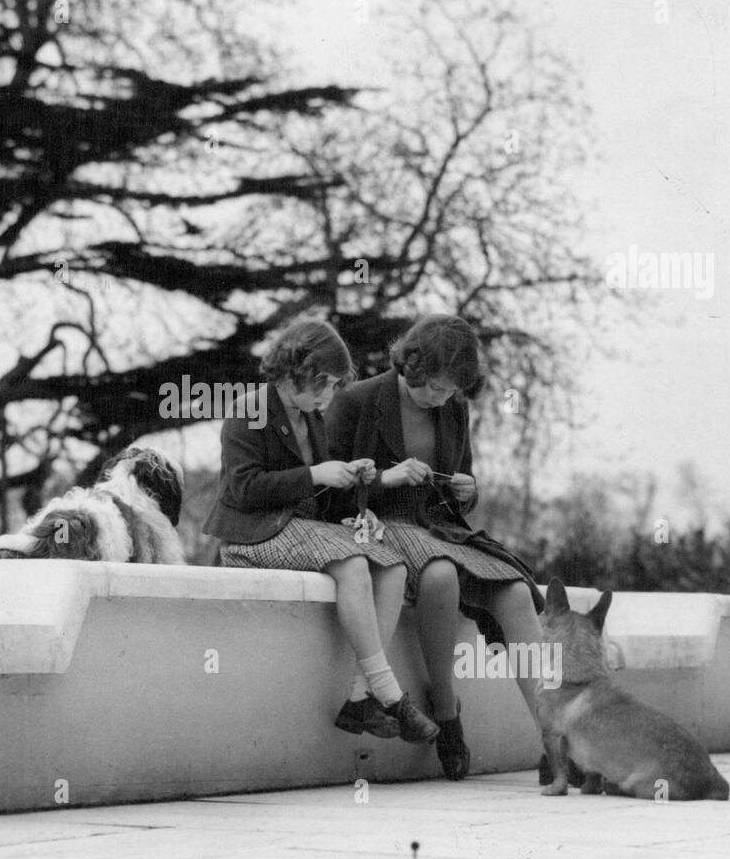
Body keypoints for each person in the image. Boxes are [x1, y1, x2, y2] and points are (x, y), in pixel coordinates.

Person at [325, 314, 548, 780]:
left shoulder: (453, 408)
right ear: (412, 365)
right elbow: (326, 495)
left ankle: (555, 736)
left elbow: (454, 491)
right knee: (441, 574)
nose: (442, 399)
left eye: (451, 392)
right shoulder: (356, 401)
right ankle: (446, 711)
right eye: (435, 389)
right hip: (377, 524)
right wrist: (386, 478)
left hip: (438, 528)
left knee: (517, 591)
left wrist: (467, 490)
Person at [203, 318, 440, 743]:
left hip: (299, 528)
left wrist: (358, 489)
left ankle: (358, 699)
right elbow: (243, 489)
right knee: (351, 563)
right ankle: (389, 694)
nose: (330, 395)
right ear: (299, 372)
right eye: (324, 384)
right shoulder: (248, 410)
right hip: (250, 534)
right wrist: (315, 473)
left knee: (394, 566)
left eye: (333, 386)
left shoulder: (310, 418)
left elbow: (323, 500)